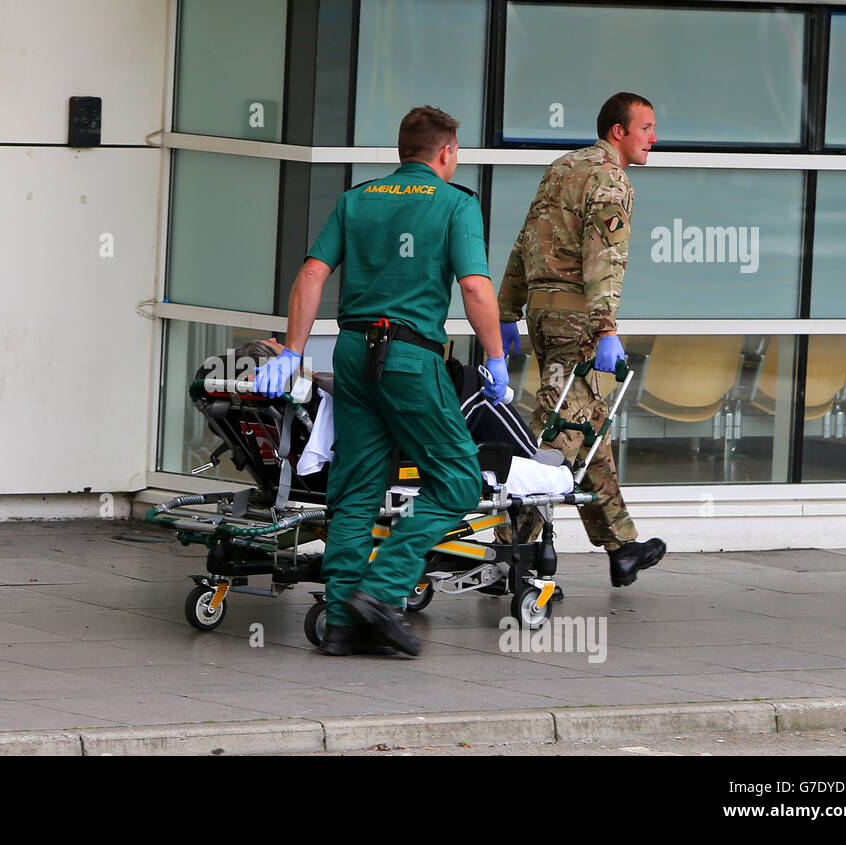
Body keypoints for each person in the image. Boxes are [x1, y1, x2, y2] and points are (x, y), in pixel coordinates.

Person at [255, 106, 507, 657]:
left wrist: (293, 349)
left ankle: (343, 623)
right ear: (445, 153)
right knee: (459, 481)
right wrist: (495, 355)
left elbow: (312, 273)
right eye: (456, 152)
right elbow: (476, 289)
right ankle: (383, 590)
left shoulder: (357, 198)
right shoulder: (457, 204)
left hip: (352, 354)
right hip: (410, 359)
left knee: (356, 489)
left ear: (402, 151)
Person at [496, 92, 665, 587]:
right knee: (558, 432)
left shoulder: (563, 166)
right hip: (579, 321)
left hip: (545, 313)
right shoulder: (612, 180)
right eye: (646, 128)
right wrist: (606, 328)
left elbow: (528, 238)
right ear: (619, 131)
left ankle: (622, 546)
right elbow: (603, 260)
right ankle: (512, 553)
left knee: (586, 421)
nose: (654, 138)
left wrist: (509, 308)